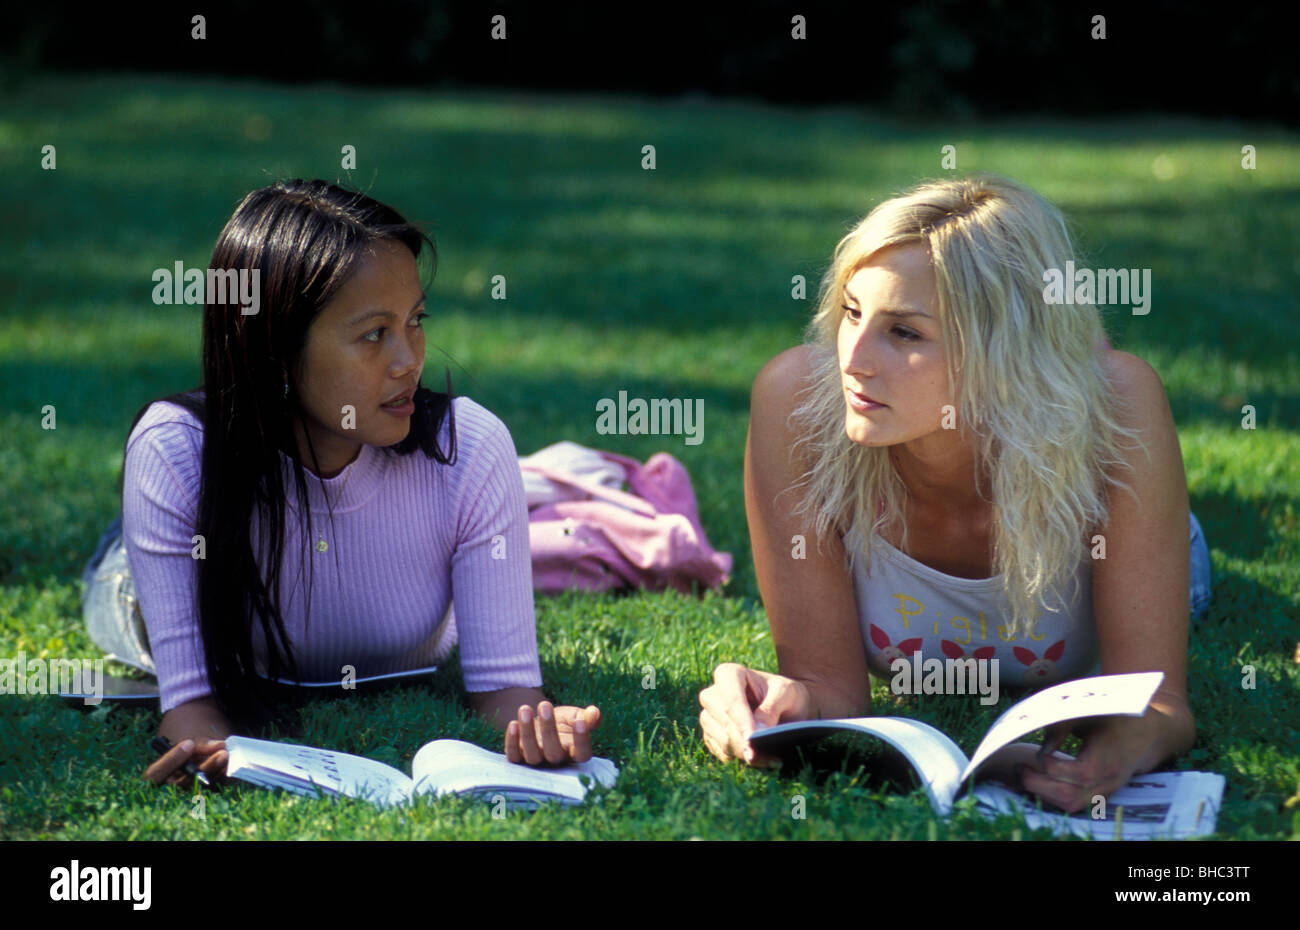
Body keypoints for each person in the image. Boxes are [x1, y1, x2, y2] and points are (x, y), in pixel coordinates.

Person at [699, 173, 1210, 814]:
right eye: (852, 313)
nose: (853, 359)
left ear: (1003, 349)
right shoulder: (797, 404)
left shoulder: (1120, 407)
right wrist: (779, 699)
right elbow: (829, 690)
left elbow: (1160, 702)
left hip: (1122, 512)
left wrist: (1129, 743)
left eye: (905, 333)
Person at [129, 180, 602, 787]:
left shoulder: (472, 449)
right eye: (375, 333)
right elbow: (191, 707)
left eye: (415, 321)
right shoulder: (175, 456)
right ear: (273, 350)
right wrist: (209, 752)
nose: (410, 360)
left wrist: (540, 727)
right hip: (132, 581)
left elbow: (505, 688)